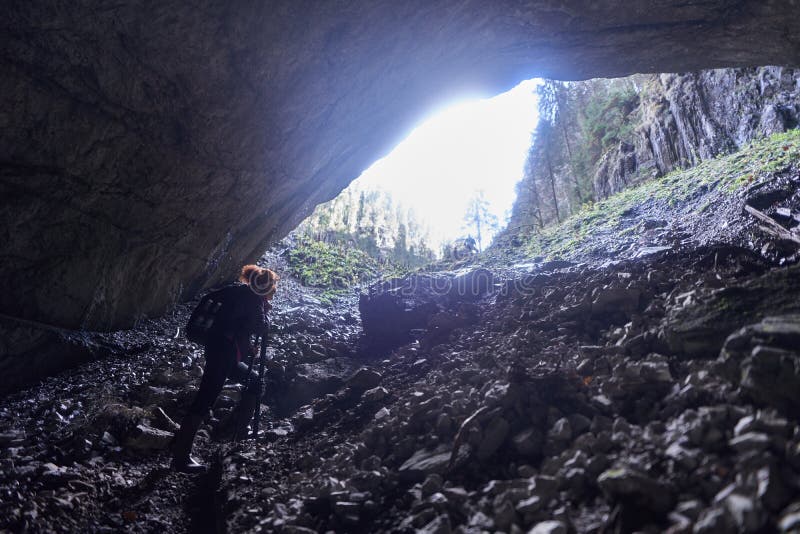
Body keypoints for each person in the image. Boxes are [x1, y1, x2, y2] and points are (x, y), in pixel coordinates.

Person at [171, 264, 279, 473]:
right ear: (266, 290)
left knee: (255, 381)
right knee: (205, 399)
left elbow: (234, 326)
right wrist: (266, 311)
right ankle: (180, 458)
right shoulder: (253, 301)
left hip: (220, 351)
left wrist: (247, 346)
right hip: (223, 355)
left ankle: (241, 432)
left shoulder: (234, 291)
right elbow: (262, 327)